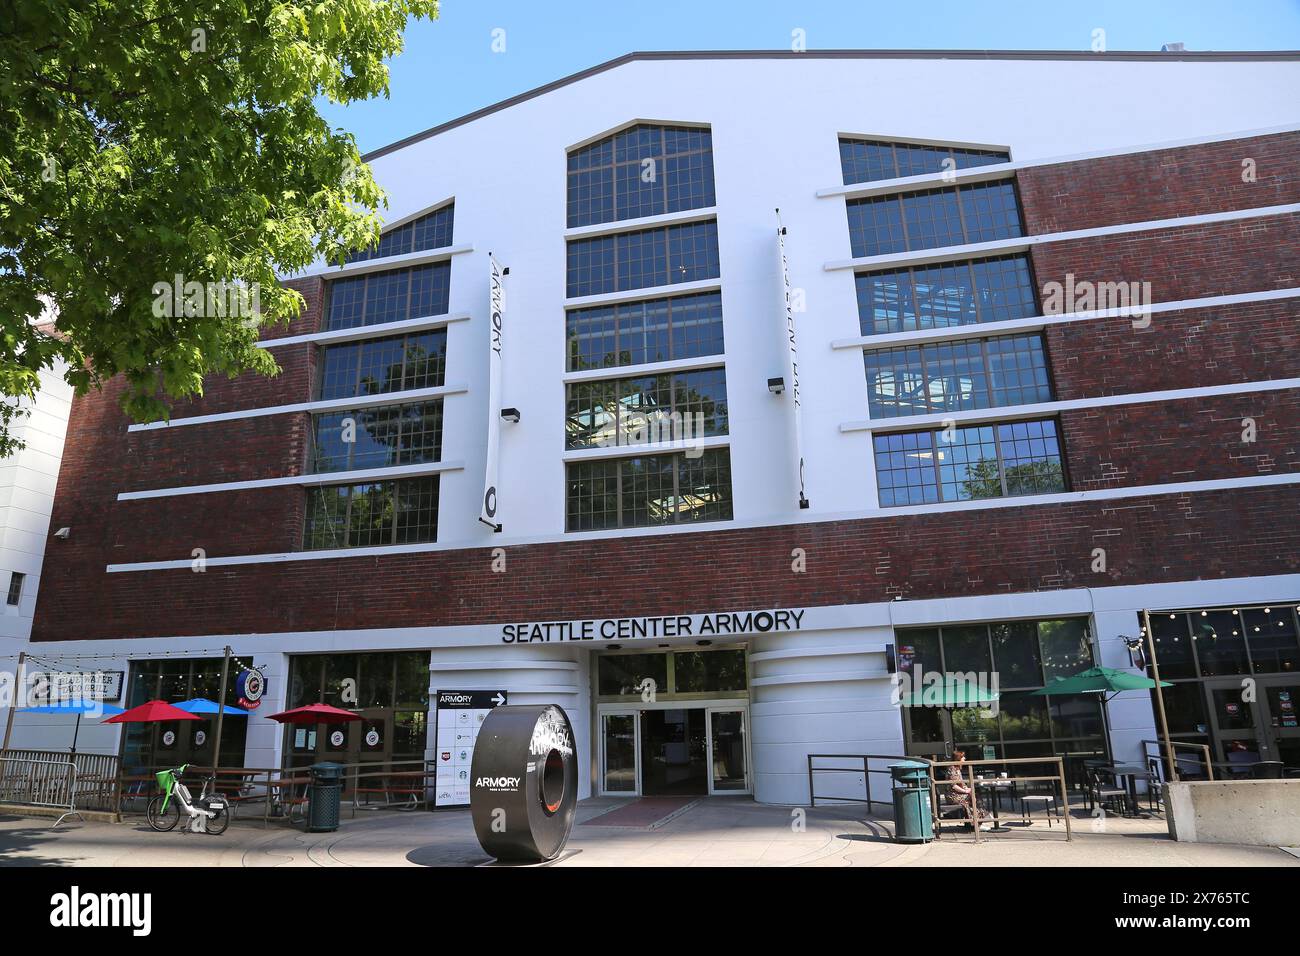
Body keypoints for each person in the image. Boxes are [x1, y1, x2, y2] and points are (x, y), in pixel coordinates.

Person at [946, 749, 992, 831]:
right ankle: (977, 824)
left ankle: (977, 821)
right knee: (974, 799)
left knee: (976, 796)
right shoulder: (952, 769)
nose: (964, 759)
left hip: (958, 793)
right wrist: (965, 791)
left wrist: (967, 789)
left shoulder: (957, 769)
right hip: (954, 796)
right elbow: (954, 786)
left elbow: (960, 784)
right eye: (963, 757)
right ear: (958, 758)